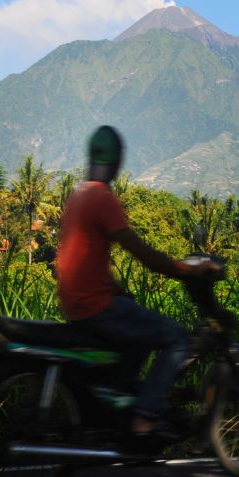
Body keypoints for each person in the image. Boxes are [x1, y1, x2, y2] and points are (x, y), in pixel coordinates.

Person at [55, 125, 219, 436]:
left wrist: (118, 290)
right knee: (176, 337)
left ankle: (121, 398)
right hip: (95, 307)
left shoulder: (78, 194)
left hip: (77, 303)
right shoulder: (102, 198)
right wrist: (186, 269)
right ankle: (144, 417)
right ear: (117, 163)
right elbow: (142, 253)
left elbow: (84, 258)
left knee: (137, 321)